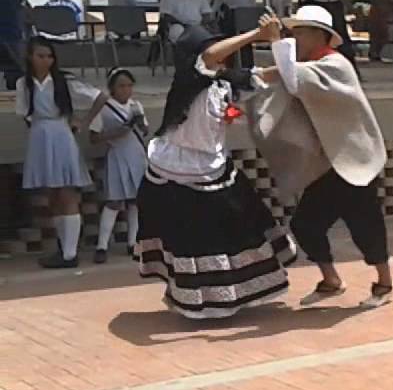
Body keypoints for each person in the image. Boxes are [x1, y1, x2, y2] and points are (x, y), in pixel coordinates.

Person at [135, 26, 296, 318]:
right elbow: (209, 56)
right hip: (175, 171)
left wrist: (284, 47)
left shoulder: (225, 83)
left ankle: (235, 292)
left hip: (214, 167)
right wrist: (257, 34)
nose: (219, 57)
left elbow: (270, 75)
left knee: (243, 222)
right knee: (193, 237)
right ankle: (198, 299)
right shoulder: (189, 79)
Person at [249, 7, 393, 309]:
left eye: (301, 31)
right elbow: (281, 75)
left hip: (354, 162)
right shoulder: (309, 65)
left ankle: (384, 283)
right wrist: (250, 77)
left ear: (319, 34)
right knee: (305, 224)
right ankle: (331, 281)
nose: (296, 37)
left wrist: (275, 40)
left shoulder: (336, 64)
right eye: (294, 31)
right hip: (327, 165)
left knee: (365, 224)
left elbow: (294, 79)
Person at [17, 38, 104, 268]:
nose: (45, 60)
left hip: (60, 133)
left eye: (49, 56)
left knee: (66, 193)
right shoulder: (23, 84)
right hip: (40, 134)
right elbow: (25, 113)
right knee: (53, 195)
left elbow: (99, 97)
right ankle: (62, 247)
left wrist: (83, 123)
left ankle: (70, 253)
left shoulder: (63, 81)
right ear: (30, 57)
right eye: (40, 56)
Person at [88, 68, 147, 264]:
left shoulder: (136, 106)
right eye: (121, 85)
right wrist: (115, 133)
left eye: (129, 86)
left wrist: (139, 123)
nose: (126, 90)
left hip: (136, 155)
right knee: (113, 201)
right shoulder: (104, 108)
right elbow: (94, 138)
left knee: (134, 201)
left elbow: (144, 131)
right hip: (117, 154)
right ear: (112, 87)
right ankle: (102, 245)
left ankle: (133, 242)